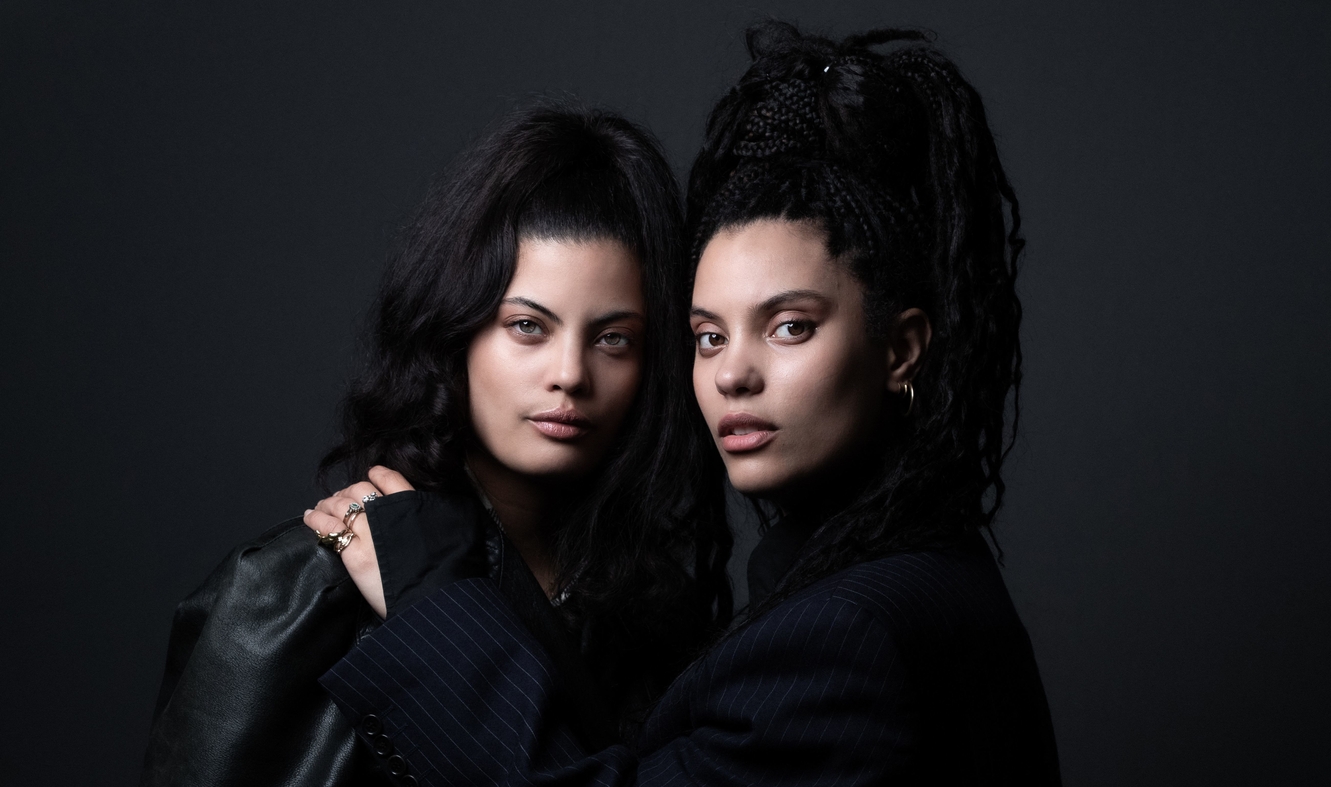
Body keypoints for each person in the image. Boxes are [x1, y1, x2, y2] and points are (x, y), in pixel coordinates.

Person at [315, 21, 1060, 786]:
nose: (734, 374)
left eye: (790, 326)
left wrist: (436, 609)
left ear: (901, 349)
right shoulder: (912, 573)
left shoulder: (849, 633)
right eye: (708, 337)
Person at [140, 105, 730, 787]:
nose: (570, 373)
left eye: (612, 338)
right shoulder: (291, 594)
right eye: (528, 327)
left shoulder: (651, 608)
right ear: (456, 329)